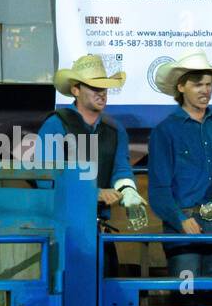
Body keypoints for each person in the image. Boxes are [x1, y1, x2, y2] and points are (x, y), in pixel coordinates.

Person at [147, 51, 212, 299]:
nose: (205, 90)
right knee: (186, 298)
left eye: (208, 84)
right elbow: (158, 189)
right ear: (181, 87)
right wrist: (180, 219)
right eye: (198, 84)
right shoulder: (165, 131)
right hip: (183, 229)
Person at [40, 55, 148, 276]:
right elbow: (45, 178)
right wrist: (94, 193)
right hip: (64, 229)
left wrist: (127, 189)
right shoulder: (56, 125)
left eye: (104, 87)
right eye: (95, 87)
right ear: (76, 90)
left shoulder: (114, 130)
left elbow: (121, 168)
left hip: (98, 228)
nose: (102, 93)